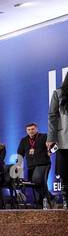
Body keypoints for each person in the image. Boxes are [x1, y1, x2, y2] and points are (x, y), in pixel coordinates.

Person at [17, 122, 51, 208]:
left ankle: (44, 201)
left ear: (36, 129)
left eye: (32, 129)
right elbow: (20, 153)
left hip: (43, 164)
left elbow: (56, 146)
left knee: (38, 181)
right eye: (29, 130)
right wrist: (18, 164)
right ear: (26, 131)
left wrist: (50, 151)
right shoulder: (24, 140)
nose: (31, 131)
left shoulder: (45, 136)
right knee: (36, 184)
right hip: (31, 166)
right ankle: (47, 199)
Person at [50, 77, 68, 208]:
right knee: (65, 172)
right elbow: (52, 116)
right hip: (64, 138)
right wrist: (51, 138)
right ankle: (66, 200)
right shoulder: (58, 93)